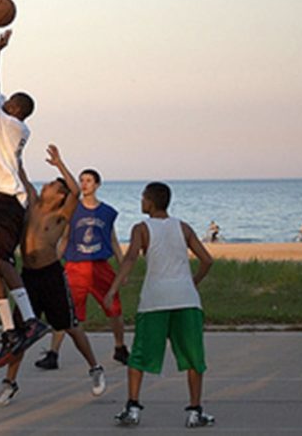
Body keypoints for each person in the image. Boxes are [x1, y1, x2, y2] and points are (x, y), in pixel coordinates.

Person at [0, 146, 106, 407]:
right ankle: (10, 383)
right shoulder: (32, 202)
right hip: (27, 278)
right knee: (21, 332)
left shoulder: (60, 215)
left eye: (52, 186)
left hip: (51, 276)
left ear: (60, 196)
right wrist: (16, 152)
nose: (45, 186)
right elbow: (21, 176)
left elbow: (75, 191)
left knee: (70, 325)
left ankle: (95, 368)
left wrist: (59, 164)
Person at [105, 182, 215, 428]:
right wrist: (192, 281)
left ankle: (133, 408)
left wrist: (113, 289)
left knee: (140, 355)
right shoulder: (183, 227)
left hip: (155, 300)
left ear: (151, 202)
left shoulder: (141, 229)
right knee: (194, 357)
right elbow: (207, 260)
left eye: (143, 198)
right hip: (186, 300)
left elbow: (131, 257)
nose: (141, 202)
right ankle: (195, 412)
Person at [0, 29, 48, 369]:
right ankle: (9, 332)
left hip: (6, 204)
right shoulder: (5, 121)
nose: (4, 104)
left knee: (1, 262)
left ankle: (30, 321)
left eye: (10, 103)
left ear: (18, 110)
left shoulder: (14, 126)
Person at [34, 167, 129, 372]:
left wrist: (123, 268)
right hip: (75, 266)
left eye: (88, 180)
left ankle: (120, 347)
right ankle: (53, 354)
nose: (84, 184)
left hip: (99, 265)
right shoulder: (72, 210)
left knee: (114, 308)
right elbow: (64, 238)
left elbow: (112, 240)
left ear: (97, 184)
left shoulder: (107, 212)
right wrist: (52, 264)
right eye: (81, 180)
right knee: (64, 310)